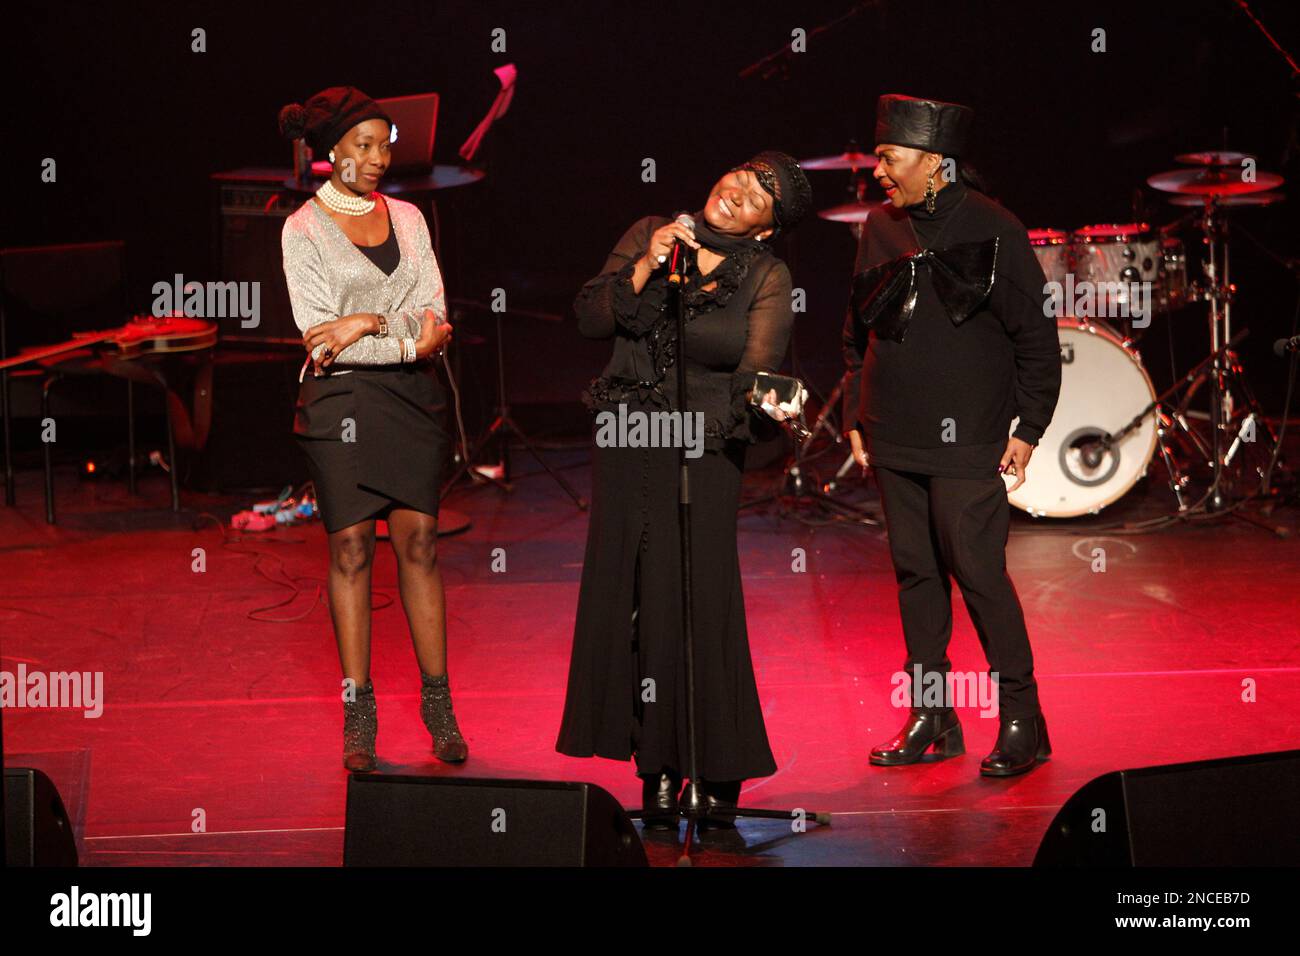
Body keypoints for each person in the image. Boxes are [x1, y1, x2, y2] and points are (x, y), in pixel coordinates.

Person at [556, 152, 813, 826]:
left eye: (761, 195)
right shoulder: (651, 232)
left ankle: (714, 764)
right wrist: (645, 265)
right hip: (626, 441)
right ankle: (656, 765)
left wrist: (714, 426)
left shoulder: (766, 274)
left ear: (767, 228)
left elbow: (754, 379)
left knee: (696, 598)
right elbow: (590, 317)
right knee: (637, 599)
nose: (739, 191)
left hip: (702, 447)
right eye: (742, 175)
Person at [843, 94, 1062, 777]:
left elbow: (1036, 339)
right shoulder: (879, 226)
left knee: (978, 571)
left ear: (934, 161)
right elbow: (856, 333)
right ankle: (934, 714)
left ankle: (1023, 717)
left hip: (969, 436)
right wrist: (856, 414)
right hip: (893, 431)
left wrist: (1029, 429)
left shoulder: (996, 227)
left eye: (888, 156)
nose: (878, 169)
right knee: (915, 572)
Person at [277, 86, 464, 773]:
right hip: (339, 402)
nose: (380, 157)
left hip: (413, 400)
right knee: (353, 548)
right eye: (365, 145)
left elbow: (435, 319)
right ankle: (359, 708)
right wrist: (402, 337)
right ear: (331, 154)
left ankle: (438, 701)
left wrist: (373, 323)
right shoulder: (302, 230)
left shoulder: (410, 218)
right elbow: (321, 342)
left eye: (386, 144)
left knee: (419, 544)